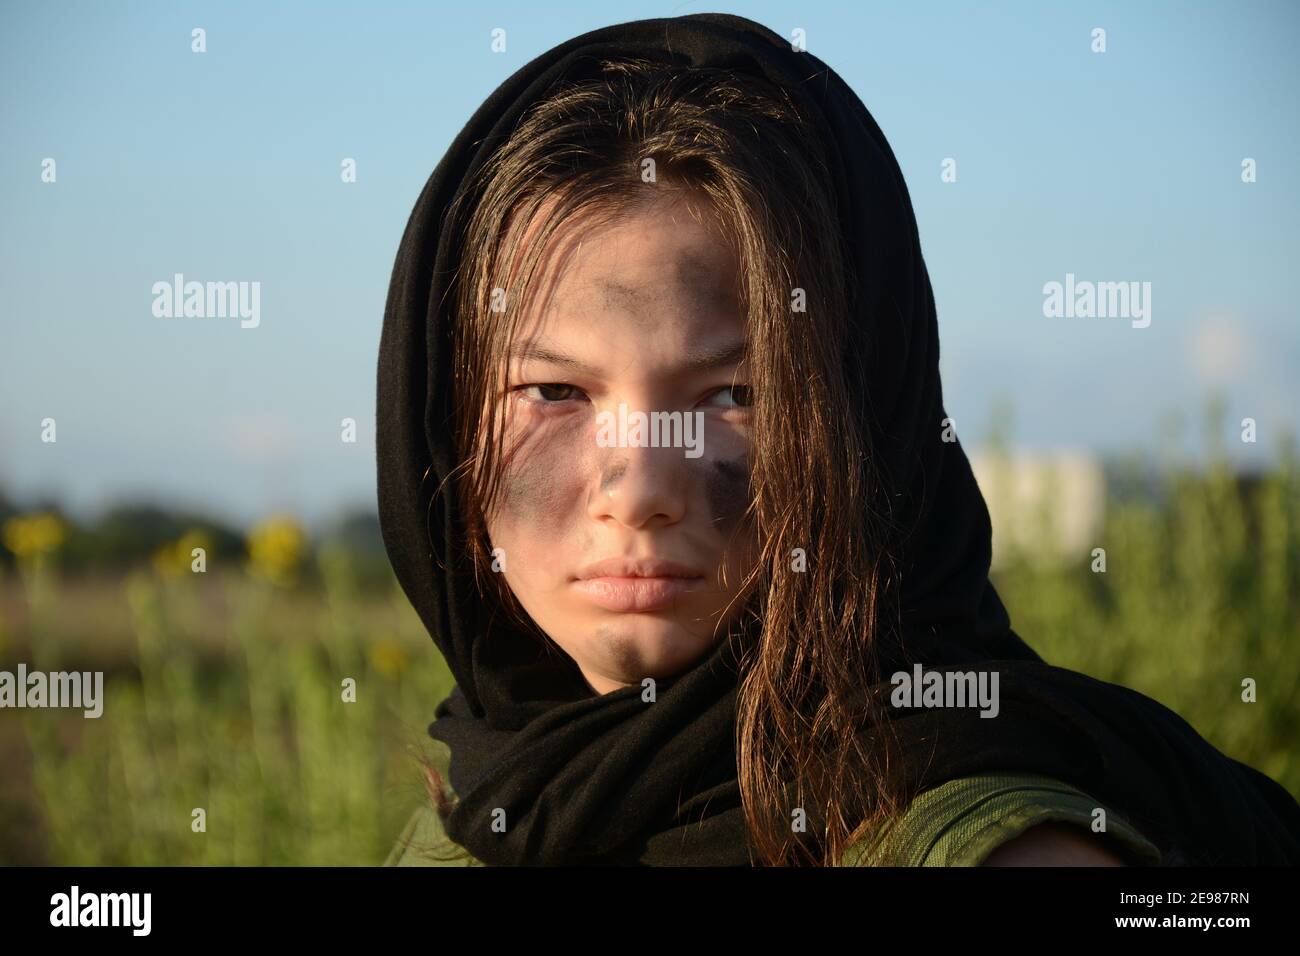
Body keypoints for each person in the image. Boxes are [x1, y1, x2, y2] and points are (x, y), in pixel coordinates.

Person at [376, 13, 1300, 866]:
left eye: (737, 393)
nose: (639, 486)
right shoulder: (479, 816)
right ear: (439, 420)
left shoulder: (988, 842)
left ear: (867, 424)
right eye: (553, 391)